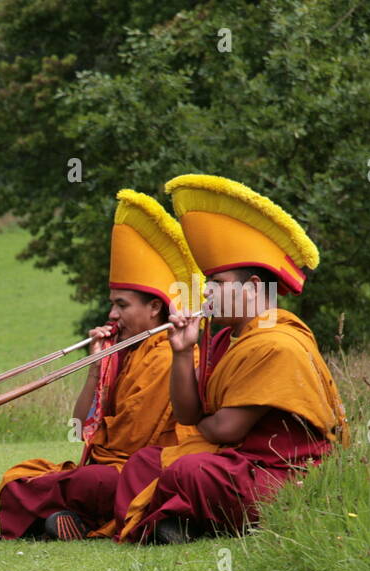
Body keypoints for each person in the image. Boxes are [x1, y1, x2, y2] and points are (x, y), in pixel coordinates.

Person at [113, 174, 348, 544]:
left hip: (277, 474)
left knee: (191, 469)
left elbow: (226, 430)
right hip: (230, 460)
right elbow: (190, 416)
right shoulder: (222, 340)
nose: (206, 292)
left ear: (253, 288)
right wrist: (180, 352)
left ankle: (179, 521)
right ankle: (174, 523)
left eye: (217, 283)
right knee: (146, 462)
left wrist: (204, 430)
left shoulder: (278, 343)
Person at [0, 189, 199, 540]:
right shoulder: (126, 352)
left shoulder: (169, 354)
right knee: (19, 475)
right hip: (106, 469)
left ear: (155, 308)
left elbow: (134, 449)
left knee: (95, 481)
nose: (112, 315)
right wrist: (96, 367)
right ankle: (73, 517)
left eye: (122, 305)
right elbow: (78, 427)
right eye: (112, 305)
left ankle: (79, 517)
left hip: (139, 473)